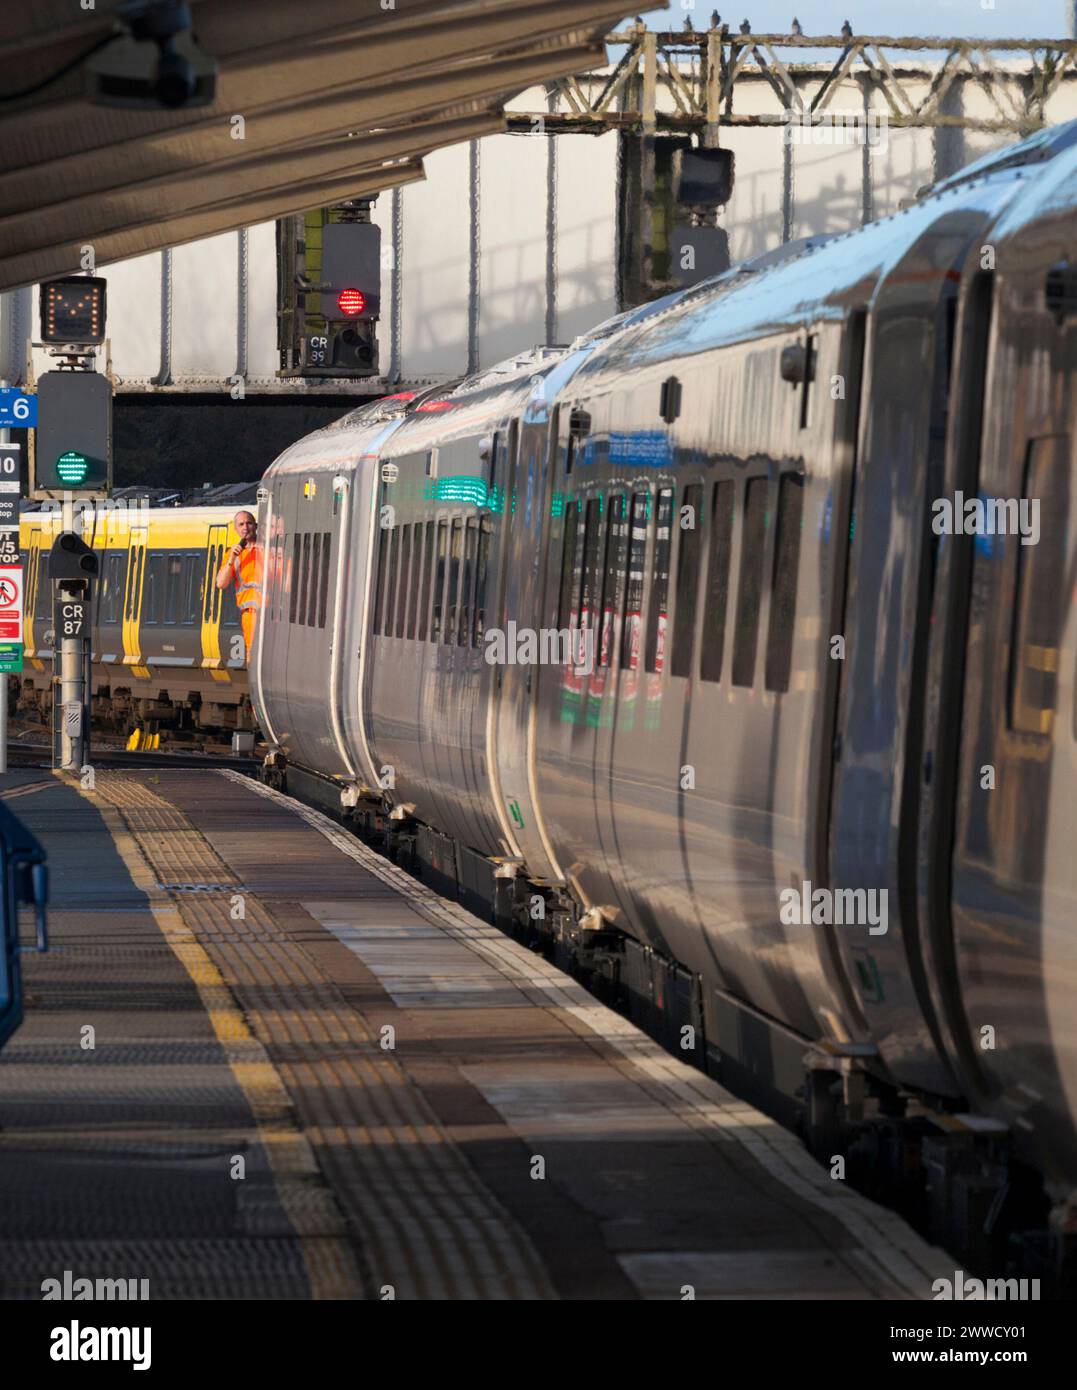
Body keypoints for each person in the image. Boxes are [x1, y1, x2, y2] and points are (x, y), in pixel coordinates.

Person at [216, 510, 262, 661]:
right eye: (241, 524)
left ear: (255, 526)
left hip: (270, 616)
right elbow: (221, 583)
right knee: (253, 657)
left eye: (248, 523)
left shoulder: (268, 550)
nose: (245, 527)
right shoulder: (233, 555)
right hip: (250, 615)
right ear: (236, 529)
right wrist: (231, 559)